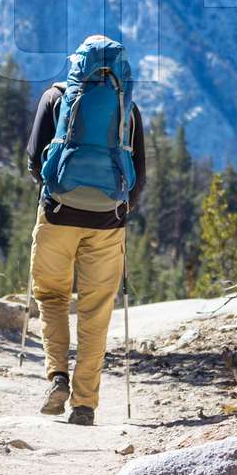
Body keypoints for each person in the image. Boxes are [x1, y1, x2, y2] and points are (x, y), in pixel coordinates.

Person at [25, 34, 145, 426]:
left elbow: (33, 160)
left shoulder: (55, 98)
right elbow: (138, 176)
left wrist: (51, 191)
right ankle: (84, 405)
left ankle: (56, 375)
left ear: (77, 66)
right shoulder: (128, 109)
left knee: (52, 296)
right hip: (108, 221)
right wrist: (120, 209)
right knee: (95, 311)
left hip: (58, 213)